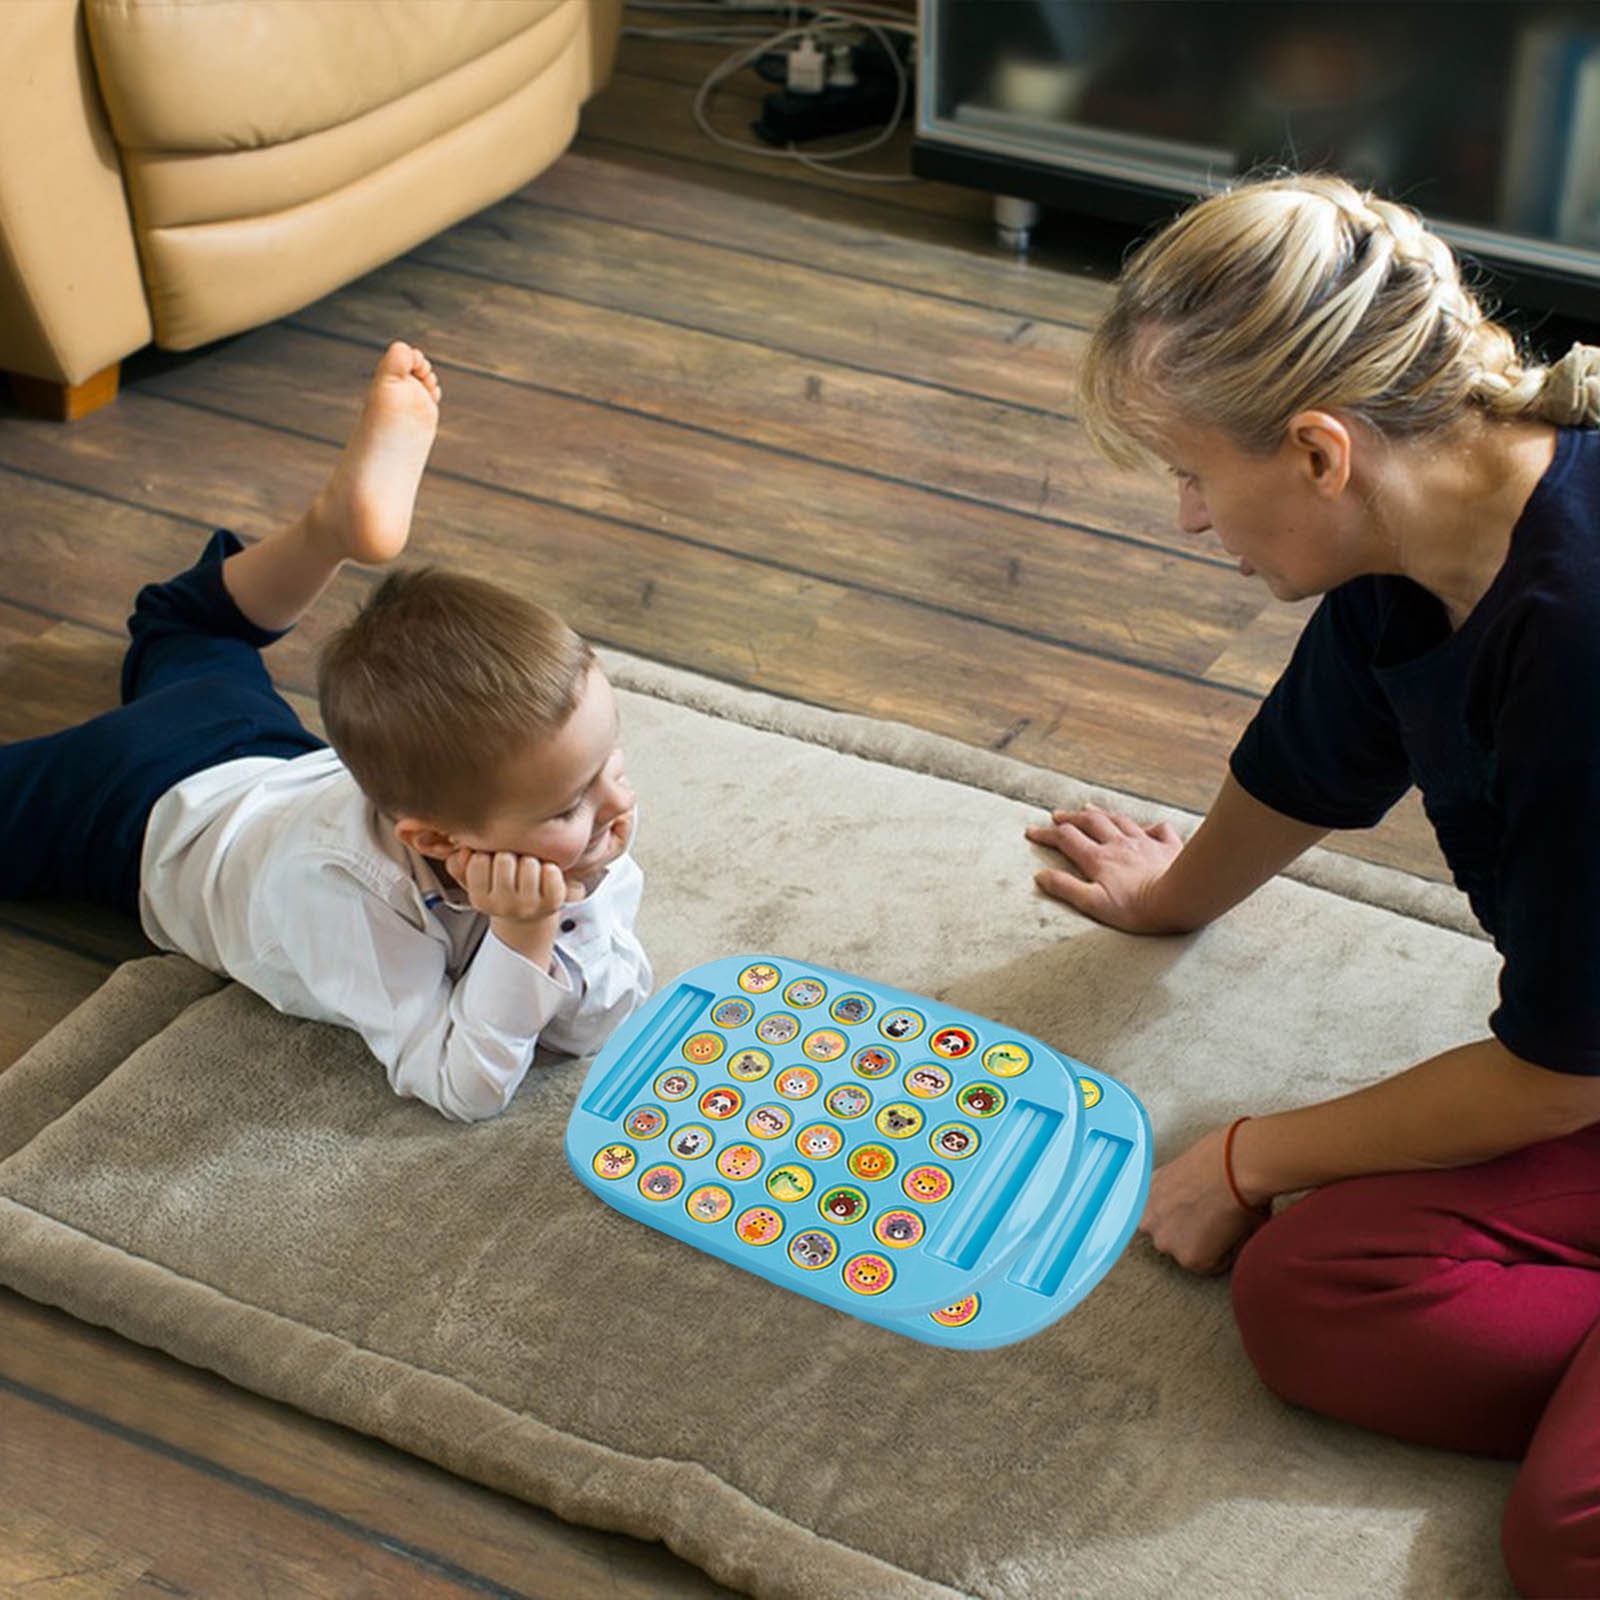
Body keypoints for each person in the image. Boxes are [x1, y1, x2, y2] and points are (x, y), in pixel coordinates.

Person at [1023, 173, 1600, 1596]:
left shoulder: (1584, 643)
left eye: (1194, 473)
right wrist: (1170, 900)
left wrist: (1246, 1153)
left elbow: (1561, 1074)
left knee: (1566, 1540)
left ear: (1318, 451)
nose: (1184, 517)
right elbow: (1310, 758)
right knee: (1310, 1296)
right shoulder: (1423, 530)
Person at [0, 341, 650, 1122]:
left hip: (263, 749)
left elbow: (598, 1021)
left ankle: (333, 526)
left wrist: (567, 905)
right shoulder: (344, 897)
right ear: (438, 842)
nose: (617, 805)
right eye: (571, 804)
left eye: (609, 763)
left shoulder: (568, 838)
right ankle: (327, 526)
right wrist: (525, 933)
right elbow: (461, 1086)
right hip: (134, 801)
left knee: (182, 626)